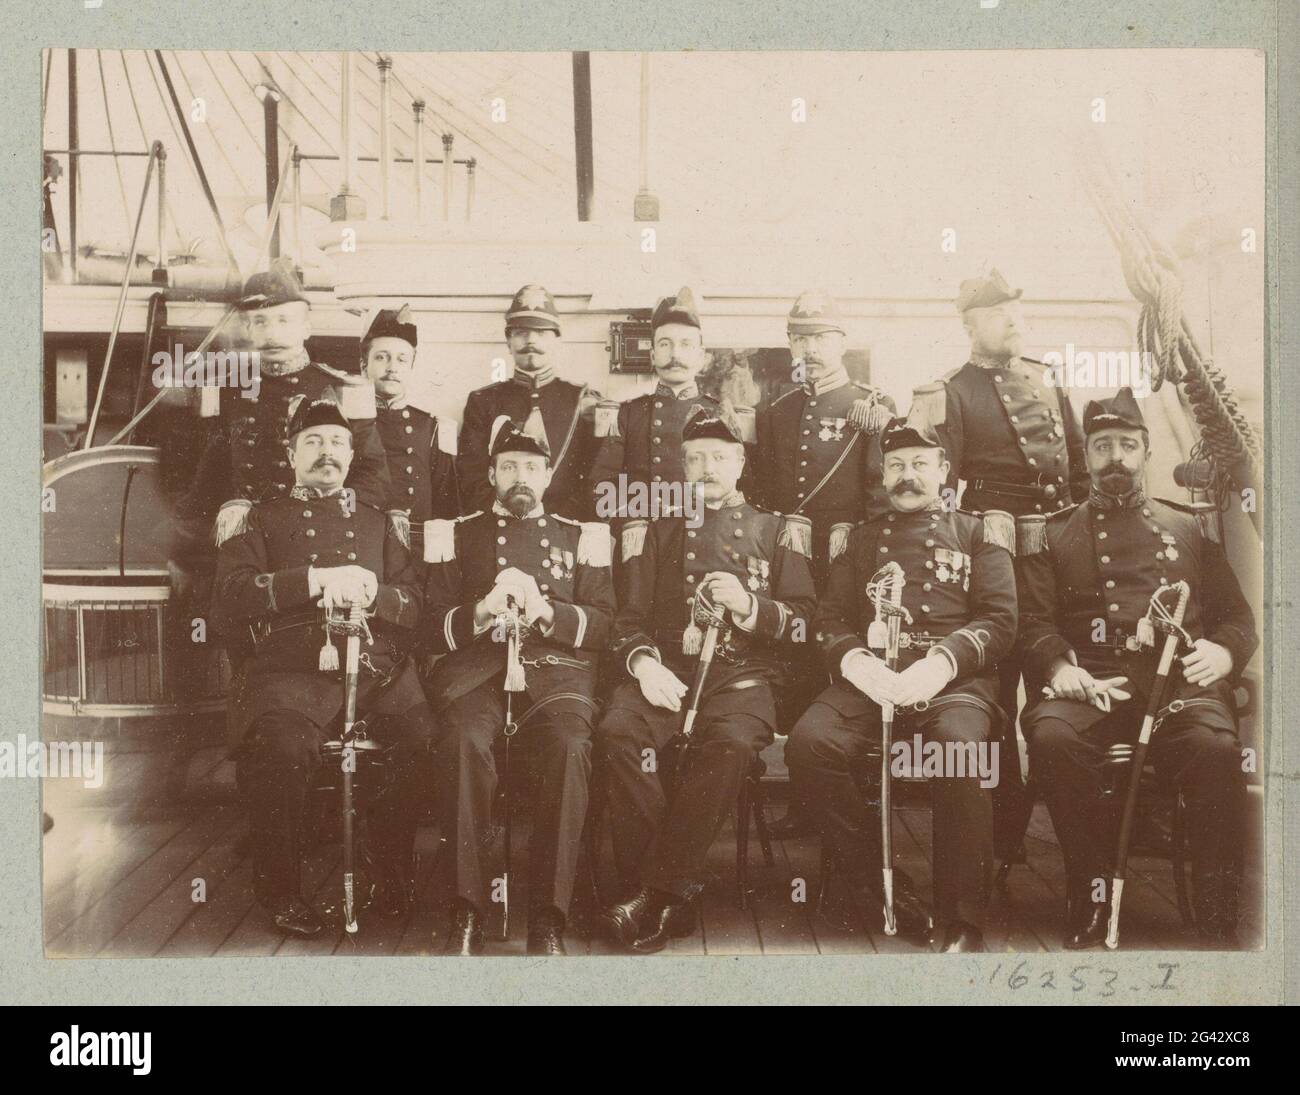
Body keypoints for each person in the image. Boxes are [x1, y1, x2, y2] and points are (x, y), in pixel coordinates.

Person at [1014, 387, 1256, 948]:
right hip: (1094, 686)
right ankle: (1090, 890)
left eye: (1127, 445)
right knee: (1050, 737)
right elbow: (1033, 622)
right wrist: (1057, 667)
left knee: (1218, 749)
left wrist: (1221, 654)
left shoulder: (1191, 529)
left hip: (1177, 688)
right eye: (1102, 447)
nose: (1115, 457)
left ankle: (1217, 898)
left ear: (1145, 452)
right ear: (1086, 457)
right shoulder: (1054, 533)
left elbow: (1238, 619)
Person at [786, 416, 1019, 952]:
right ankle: (879, 880)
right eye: (895, 465)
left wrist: (937, 664)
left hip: (951, 680)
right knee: (809, 744)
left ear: (943, 470)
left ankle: (961, 917)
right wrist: (860, 665)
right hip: (873, 679)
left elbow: (1001, 620)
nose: (906, 475)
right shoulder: (860, 539)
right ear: (882, 475)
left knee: (958, 750)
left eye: (919, 464)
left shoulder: (979, 531)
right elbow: (829, 620)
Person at [594, 406, 816, 953]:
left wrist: (748, 606)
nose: (707, 467)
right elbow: (628, 621)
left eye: (719, 456)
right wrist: (645, 666)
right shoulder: (652, 530)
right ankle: (671, 897)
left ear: (740, 461)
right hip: (667, 673)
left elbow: (804, 622)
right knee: (619, 734)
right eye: (695, 458)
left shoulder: (780, 529)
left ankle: (654, 894)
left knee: (732, 745)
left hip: (743, 679)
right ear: (681, 467)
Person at [212, 397, 432, 936]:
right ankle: (281, 891)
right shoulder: (257, 518)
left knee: (424, 737)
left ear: (352, 454)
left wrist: (374, 591)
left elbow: (415, 604)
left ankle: (390, 872)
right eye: (312, 442)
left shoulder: (382, 524)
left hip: (376, 668)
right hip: (293, 668)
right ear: (291, 455)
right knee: (283, 747)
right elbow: (230, 598)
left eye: (336, 442)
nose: (325, 453)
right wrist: (311, 580)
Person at [908, 268, 1090, 867]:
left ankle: (1079, 848)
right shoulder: (952, 391)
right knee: (995, 705)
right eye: (999, 313)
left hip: (1058, 561)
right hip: (995, 564)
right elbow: (937, 497)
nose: (1014, 321)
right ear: (970, 324)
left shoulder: (1045, 380)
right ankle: (1000, 844)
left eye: (1017, 309)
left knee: (1055, 698)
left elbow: (1080, 480)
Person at [420, 417, 615, 955]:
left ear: (548, 476)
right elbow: (429, 620)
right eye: (509, 467)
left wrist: (546, 611)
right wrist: (481, 611)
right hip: (477, 674)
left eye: (531, 467)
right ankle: (466, 909)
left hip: (556, 675)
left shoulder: (584, 537)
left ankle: (548, 916)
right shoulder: (455, 533)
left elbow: (603, 623)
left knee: (571, 747)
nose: (520, 476)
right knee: (460, 743)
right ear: (491, 473)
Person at [751, 289, 894, 838]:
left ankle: (852, 799)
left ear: (841, 342)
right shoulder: (777, 411)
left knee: (844, 666)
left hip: (847, 561)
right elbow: (764, 488)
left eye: (819, 338)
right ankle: (807, 799)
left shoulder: (868, 406)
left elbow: (883, 493)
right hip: (792, 561)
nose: (808, 348)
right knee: (800, 667)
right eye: (799, 338)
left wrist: (855, 538)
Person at [186, 260, 392, 547]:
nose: (272, 333)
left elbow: (373, 477)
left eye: (284, 320)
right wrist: (189, 551)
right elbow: (206, 479)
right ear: (248, 330)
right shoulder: (225, 391)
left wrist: (334, 517)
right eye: (261, 322)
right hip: (246, 536)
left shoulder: (344, 390)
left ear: (306, 328)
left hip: (317, 535)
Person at [588, 285, 750, 539]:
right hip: (642, 537)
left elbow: (741, 490)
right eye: (665, 344)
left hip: (705, 536)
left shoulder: (721, 414)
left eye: (685, 344)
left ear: (701, 356)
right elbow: (603, 485)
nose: (675, 355)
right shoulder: (630, 414)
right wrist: (632, 524)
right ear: (652, 355)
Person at [456, 284, 601, 521]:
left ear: (557, 341)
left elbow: (594, 472)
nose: (531, 340)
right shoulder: (483, 401)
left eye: (542, 333)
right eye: (521, 332)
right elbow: (471, 474)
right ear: (508, 341)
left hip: (566, 528)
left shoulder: (580, 399)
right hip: (498, 529)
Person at [360, 304, 460, 553]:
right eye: (381, 357)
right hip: (363, 540)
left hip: (416, 546)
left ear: (411, 367)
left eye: (401, 359)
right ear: (364, 365)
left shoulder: (434, 426)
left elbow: (445, 502)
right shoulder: (347, 422)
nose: (392, 367)